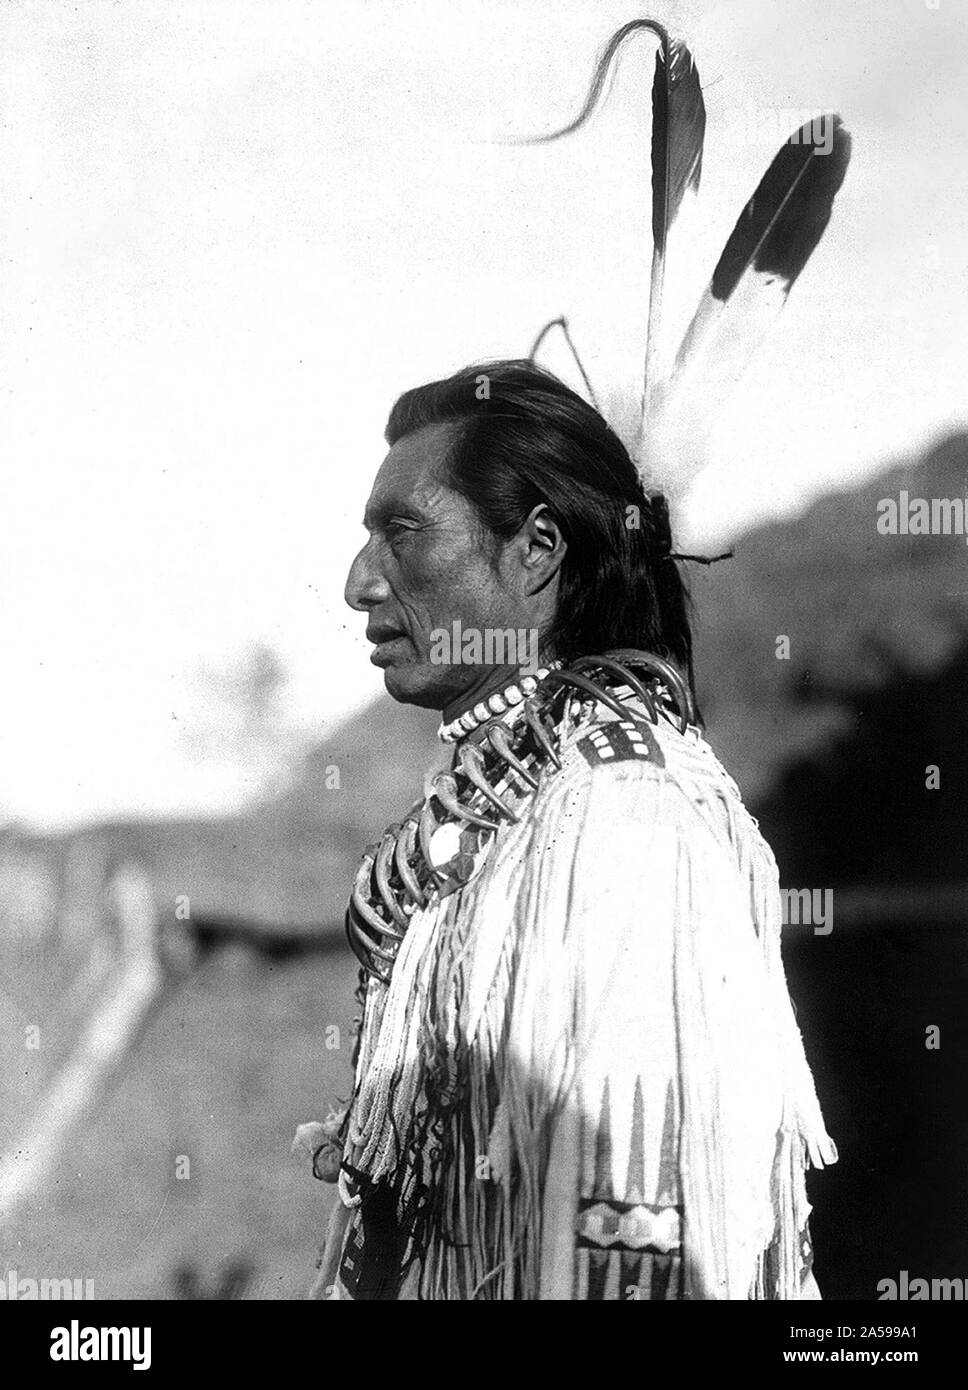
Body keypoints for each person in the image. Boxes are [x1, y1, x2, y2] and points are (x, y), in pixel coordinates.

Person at [302, 359, 836, 1300]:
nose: (358, 583)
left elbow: (642, 1232)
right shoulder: (498, 811)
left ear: (537, 548)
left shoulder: (624, 810)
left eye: (403, 534)